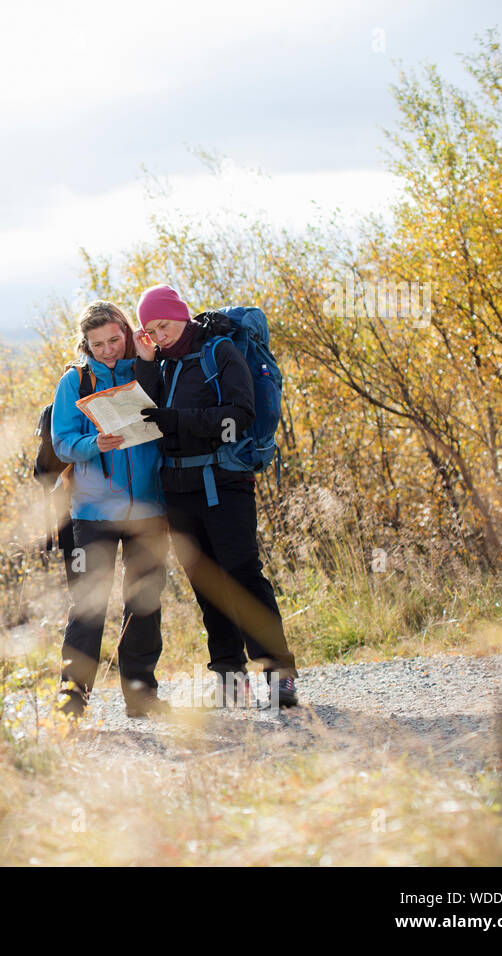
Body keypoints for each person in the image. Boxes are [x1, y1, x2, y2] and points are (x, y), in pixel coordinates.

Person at [133, 284, 299, 707]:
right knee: (206, 585)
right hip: (177, 489)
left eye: (165, 325)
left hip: (223, 483)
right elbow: (151, 416)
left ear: (183, 316)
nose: (161, 334)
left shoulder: (219, 351)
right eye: (152, 330)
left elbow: (239, 418)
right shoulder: (163, 363)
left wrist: (179, 421)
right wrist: (147, 365)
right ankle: (228, 679)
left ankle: (280, 674)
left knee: (241, 575)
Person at [50, 300, 170, 719]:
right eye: (98, 343)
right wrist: (92, 445)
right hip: (93, 512)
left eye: (115, 339)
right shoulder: (74, 382)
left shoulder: (149, 370)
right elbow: (61, 441)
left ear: (127, 330)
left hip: (149, 509)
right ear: (86, 343)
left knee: (146, 601)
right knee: (88, 605)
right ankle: (72, 698)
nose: (108, 350)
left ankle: (141, 696)